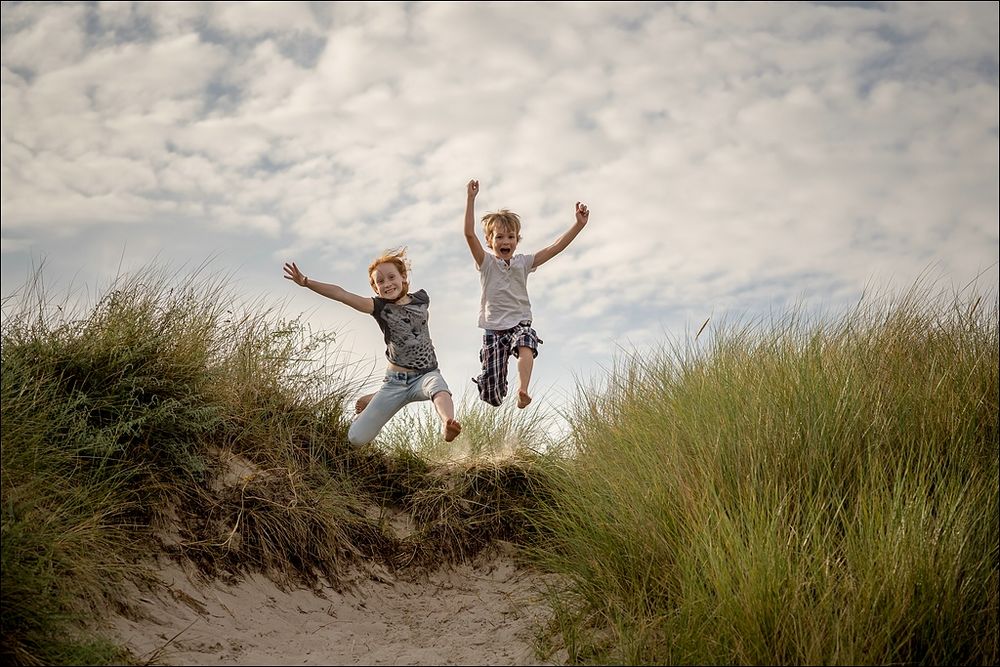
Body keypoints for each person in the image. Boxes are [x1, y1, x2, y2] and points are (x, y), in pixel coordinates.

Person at [283, 249, 462, 444]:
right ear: (376, 289)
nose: (387, 284)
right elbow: (342, 294)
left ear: (403, 277)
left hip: (426, 374)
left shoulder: (422, 299)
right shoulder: (379, 307)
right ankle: (375, 399)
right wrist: (307, 282)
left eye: (391, 277)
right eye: (381, 281)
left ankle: (447, 424)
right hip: (395, 383)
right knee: (356, 439)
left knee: (439, 387)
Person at [463, 178, 590, 408]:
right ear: (490, 242)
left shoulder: (523, 263)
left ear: (517, 240)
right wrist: (471, 199)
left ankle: (523, 390)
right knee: (493, 396)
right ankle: (490, 383)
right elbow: (469, 235)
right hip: (494, 328)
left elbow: (555, 247)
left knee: (526, 340)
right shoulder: (486, 262)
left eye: (510, 237)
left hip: (520, 321)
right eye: (499, 237)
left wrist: (578, 225)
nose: (505, 241)